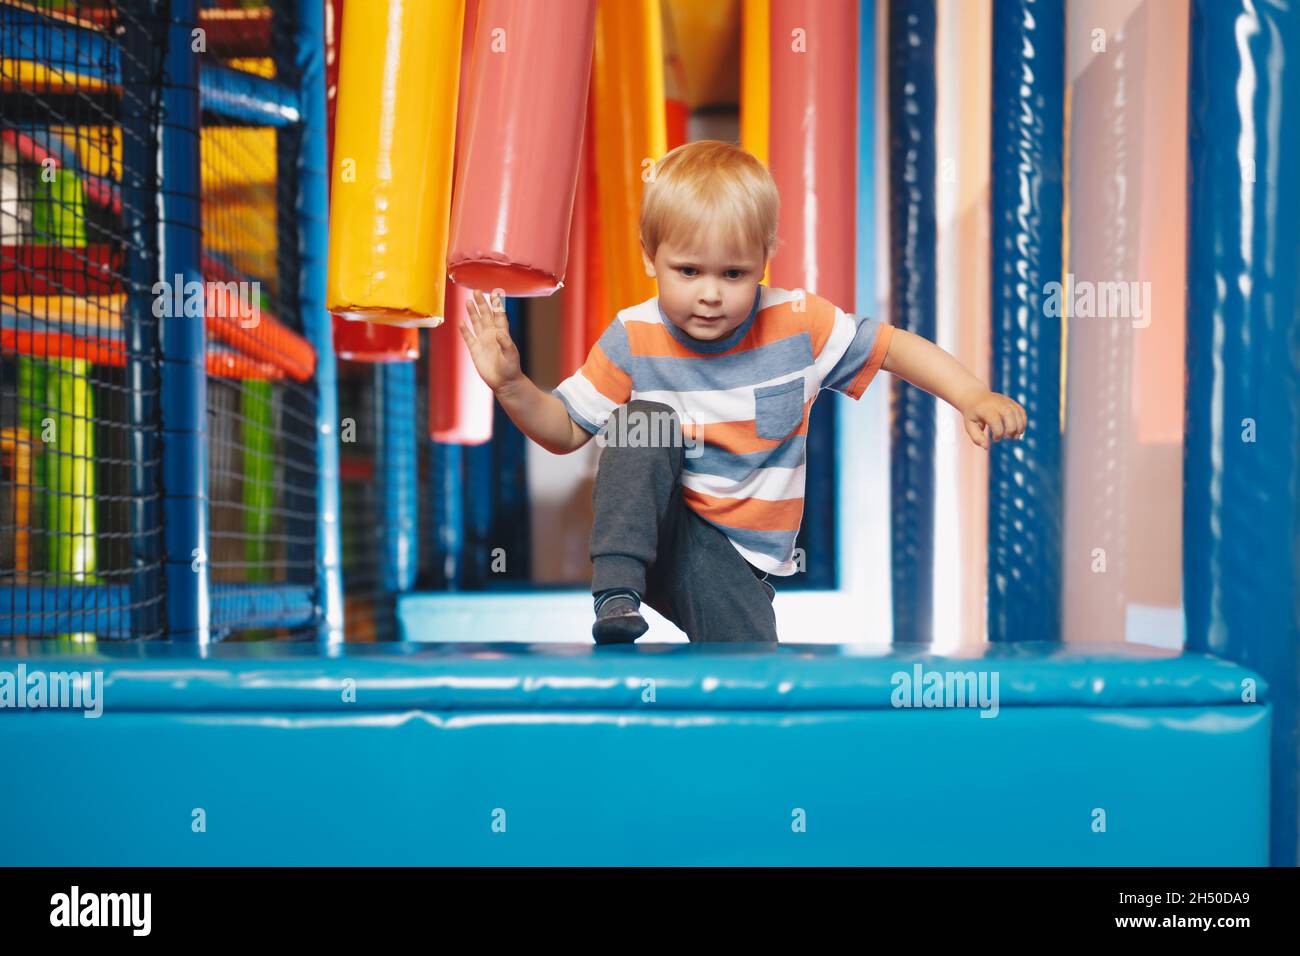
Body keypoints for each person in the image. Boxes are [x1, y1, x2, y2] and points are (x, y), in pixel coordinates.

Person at [459, 140, 1026, 644]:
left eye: (733, 274)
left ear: (763, 260)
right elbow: (565, 430)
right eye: (688, 272)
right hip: (656, 527)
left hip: (740, 562)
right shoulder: (634, 335)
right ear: (649, 257)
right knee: (644, 419)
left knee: (749, 669)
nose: (710, 294)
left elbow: (894, 347)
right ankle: (616, 593)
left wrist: (971, 395)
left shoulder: (800, 324)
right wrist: (512, 384)